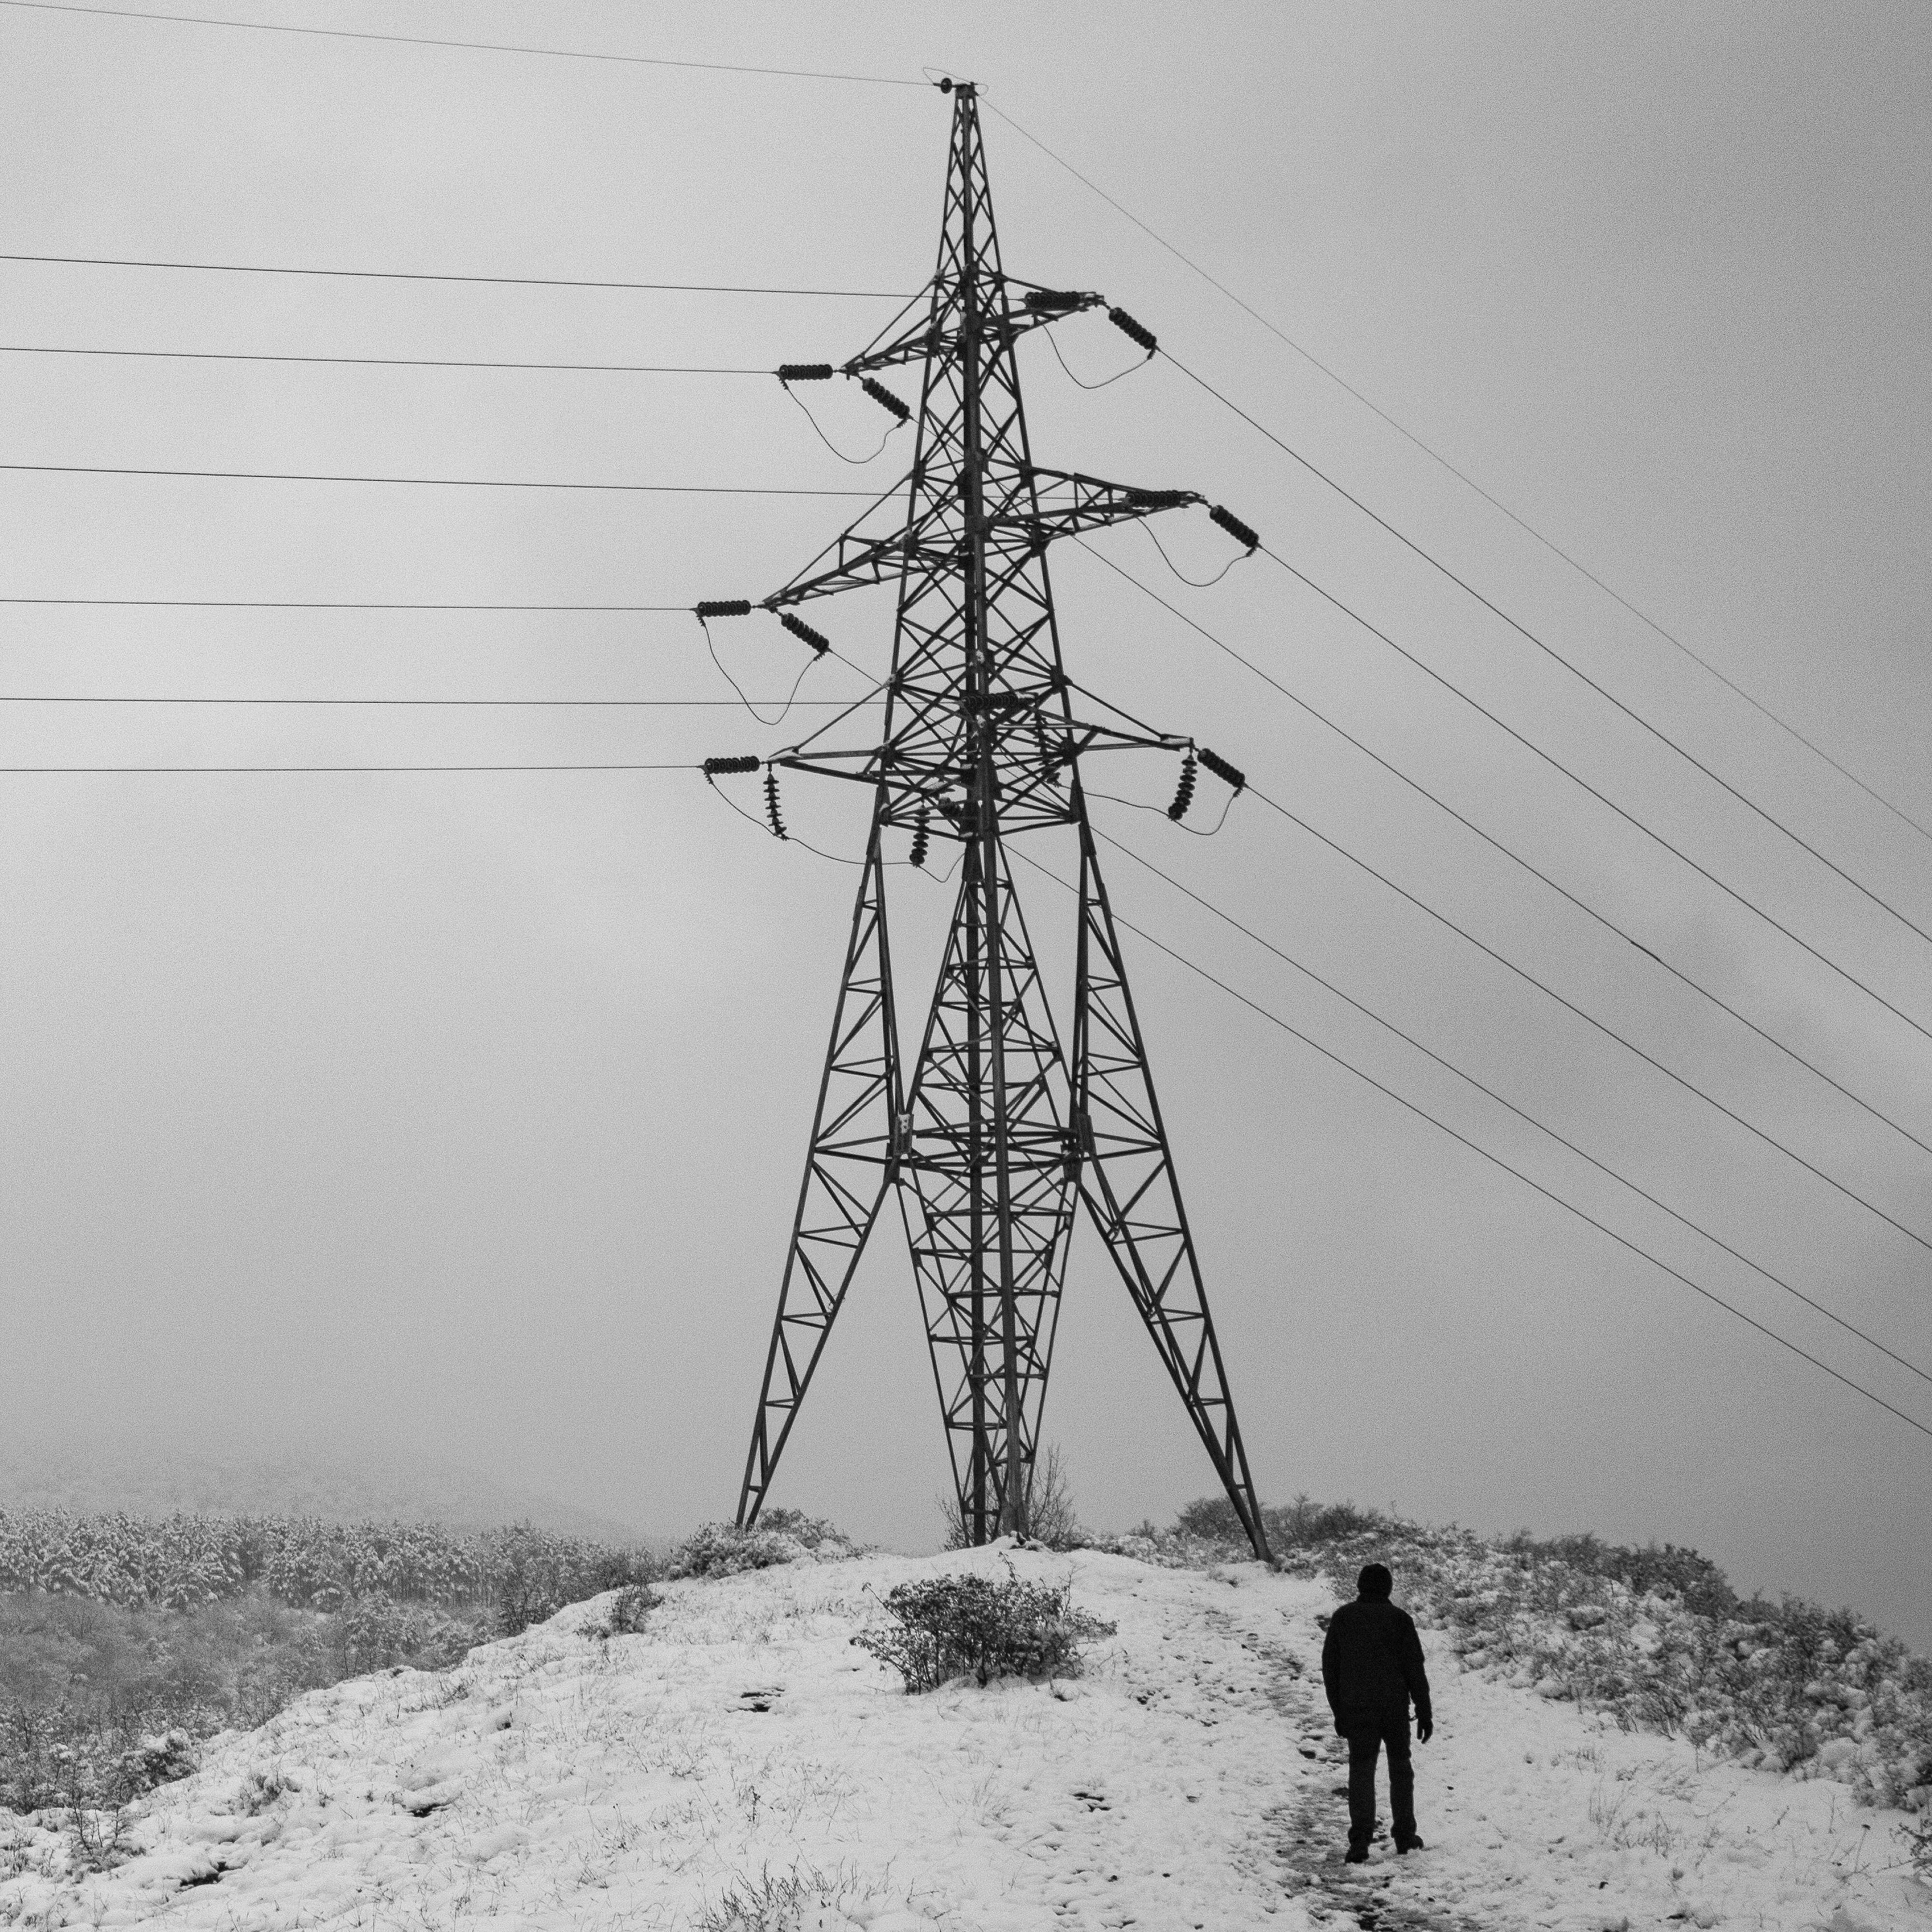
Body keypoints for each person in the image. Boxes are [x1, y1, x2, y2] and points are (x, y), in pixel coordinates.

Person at [1319, 1562, 1433, 1862]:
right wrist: (1424, 1710)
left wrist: (1338, 1711)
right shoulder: (1400, 1620)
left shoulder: (1344, 1618)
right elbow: (1414, 1670)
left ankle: (1359, 1843)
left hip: (1357, 1710)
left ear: (1359, 1586)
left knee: (1361, 1771)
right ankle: (1405, 1836)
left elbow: (1330, 1669)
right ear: (1389, 1588)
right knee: (1401, 1769)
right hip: (1395, 1709)